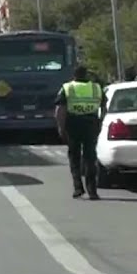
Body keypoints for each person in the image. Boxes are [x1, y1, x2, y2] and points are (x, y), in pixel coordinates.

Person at [55, 65, 103, 200]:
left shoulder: (68, 88)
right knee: (90, 157)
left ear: (74, 75)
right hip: (91, 124)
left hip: (73, 124)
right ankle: (92, 191)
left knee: (74, 157)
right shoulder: (96, 88)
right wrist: (100, 123)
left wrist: (60, 127)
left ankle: (78, 188)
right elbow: (104, 107)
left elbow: (60, 110)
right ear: (86, 75)